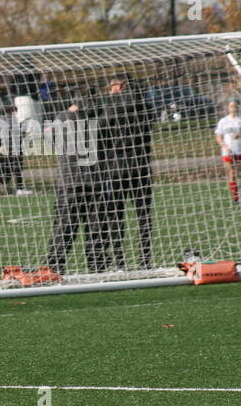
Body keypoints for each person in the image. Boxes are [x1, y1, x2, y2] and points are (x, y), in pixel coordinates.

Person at [42, 94, 111, 275]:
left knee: (64, 228)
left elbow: (50, 137)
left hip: (71, 181)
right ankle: (98, 268)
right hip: (94, 181)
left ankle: (55, 267)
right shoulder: (99, 120)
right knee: (95, 229)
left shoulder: (61, 118)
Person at [96, 73, 156, 270]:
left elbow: (100, 131)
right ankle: (145, 261)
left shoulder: (111, 107)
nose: (110, 90)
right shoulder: (145, 106)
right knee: (144, 216)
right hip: (141, 166)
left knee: (116, 215)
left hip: (116, 168)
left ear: (121, 86)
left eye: (112, 86)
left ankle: (120, 262)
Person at [214, 99, 241, 204]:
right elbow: (218, 137)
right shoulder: (223, 121)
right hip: (228, 150)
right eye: (231, 106)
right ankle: (235, 198)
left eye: (235, 105)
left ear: (238, 107)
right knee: (232, 173)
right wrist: (224, 146)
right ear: (228, 107)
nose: (233, 108)